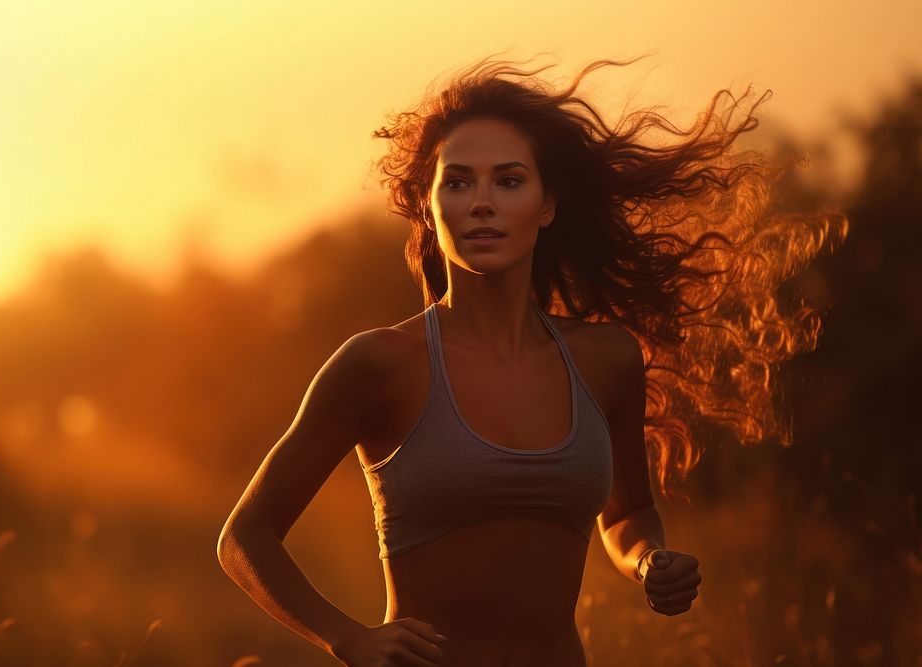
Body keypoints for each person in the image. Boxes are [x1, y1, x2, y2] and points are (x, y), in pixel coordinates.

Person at [217, 54, 843, 666]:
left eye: (509, 180)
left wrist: (649, 559)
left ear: (546, 206)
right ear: (429, 206)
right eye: (458, 182)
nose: (481, 202)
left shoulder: (606, 359)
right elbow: (245, 538)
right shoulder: (380, 363)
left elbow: (627, 514)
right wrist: (347, 637)